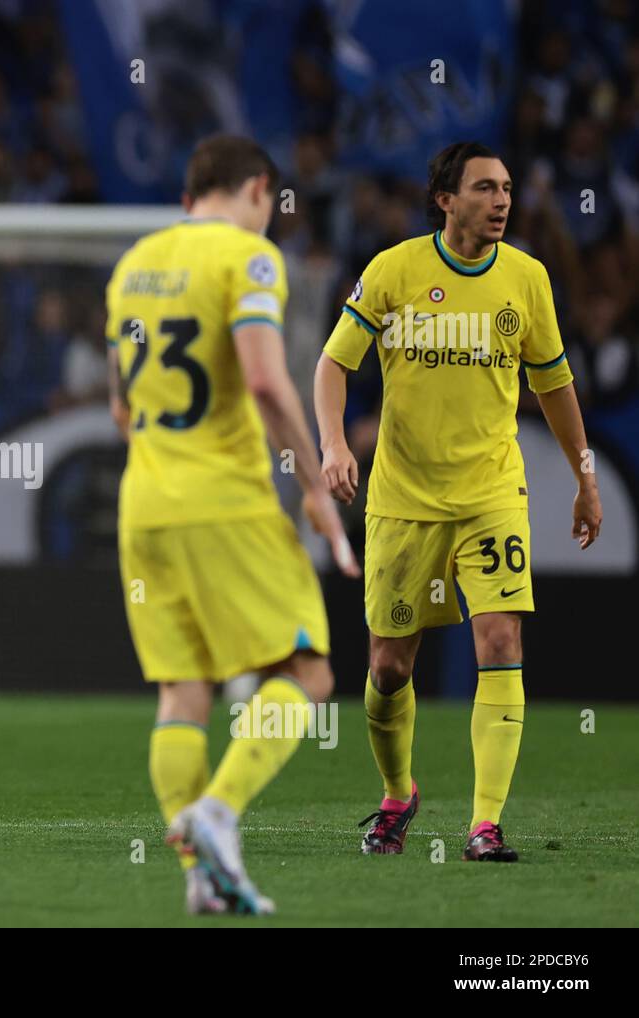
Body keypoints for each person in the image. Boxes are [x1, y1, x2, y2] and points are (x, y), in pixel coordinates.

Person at [314, 141, 602, 862]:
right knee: (388, 668)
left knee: (501, 641)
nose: (502, 200)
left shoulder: (527, 279)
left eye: (506, 187)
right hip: (404, 497)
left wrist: (585, 475)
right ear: (445, 199)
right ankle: (397, 794)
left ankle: (485, 823)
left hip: (491, 493)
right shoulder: (393, 270)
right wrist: (334, 444)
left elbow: (554, 385)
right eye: (484, 188)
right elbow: (332, 364)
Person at [106, 135, 359, 915]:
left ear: (187, 198)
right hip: (227, 502)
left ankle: (198, 876)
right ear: (260, 191)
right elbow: (262, 380)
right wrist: (316, 488)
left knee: (183, 695)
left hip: (144, 504)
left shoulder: (133, 266)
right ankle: (218, 814)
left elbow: (120, 408)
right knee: (308, 670)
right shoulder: (249, 259)